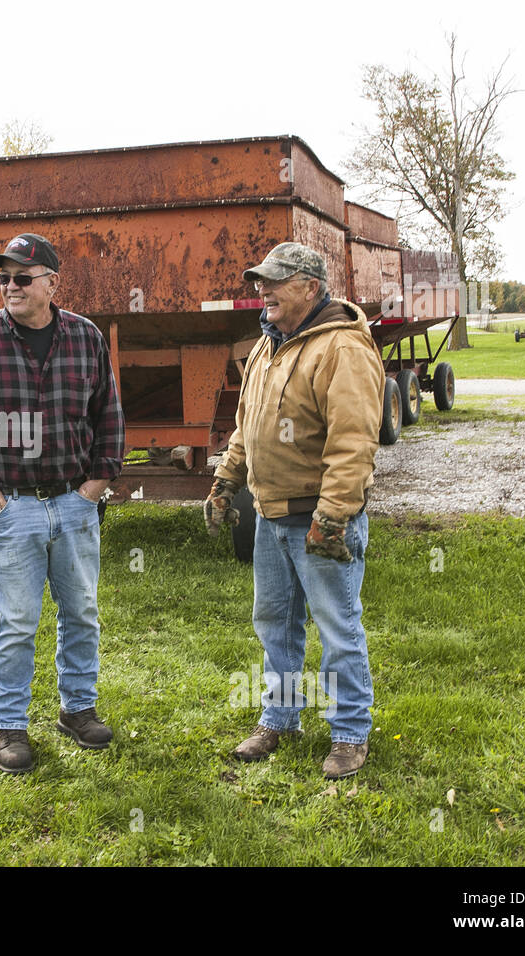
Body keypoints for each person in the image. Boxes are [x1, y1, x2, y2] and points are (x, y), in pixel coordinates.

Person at [0, 233, 125, 774]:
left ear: (51, 283)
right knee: (17, 620)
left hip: (72, 504)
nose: (10, 287)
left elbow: (109, 415)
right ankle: (10, 725)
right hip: (9, 508)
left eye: (22, 277)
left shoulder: (85, 337)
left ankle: (77, 710)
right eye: (3, 279)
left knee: (82, 612)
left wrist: (95, 486)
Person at [205, 242, 385, 779]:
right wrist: (225, 481)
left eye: (275, 282)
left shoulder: (342, 348)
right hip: (270, 515)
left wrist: (333, 516)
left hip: (318, 519)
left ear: (310, 286)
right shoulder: (268, 345)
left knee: (338, 627)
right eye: (260, 281)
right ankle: (279, 719)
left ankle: (350, 733)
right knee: (275, 624)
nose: (263, 291)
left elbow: (353, 443)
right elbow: (246, 425)